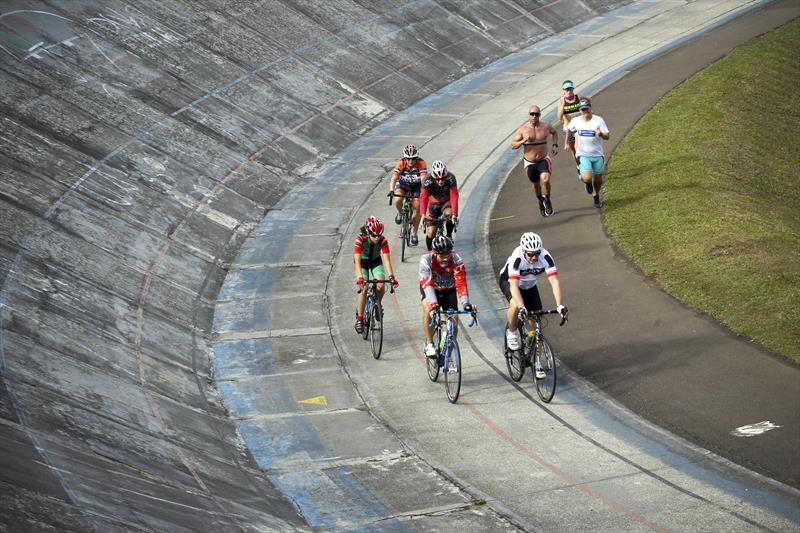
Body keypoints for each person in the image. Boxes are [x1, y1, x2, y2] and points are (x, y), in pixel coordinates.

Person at [498, 232, 567, 367]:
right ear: (524, 251)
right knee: (516, 306)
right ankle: (511, 332)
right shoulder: (517, 259)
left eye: (537, 253)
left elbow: (554, 282)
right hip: (510, 283)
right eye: (531, 254)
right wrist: (522, 307)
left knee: (538, 326)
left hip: (530, 286)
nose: (535, 257)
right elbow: (514, 286)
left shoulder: (545, 257)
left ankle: (536, 362)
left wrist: (559, 305)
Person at [419, 235, 475, 359]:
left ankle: (446, 356)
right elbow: (427, 284)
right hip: (431, 289)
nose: (445, 259)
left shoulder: (456, 259)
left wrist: (466, 303)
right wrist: (434, 306)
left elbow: (461, 282)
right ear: (434, 253)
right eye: (442, 256)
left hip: (448, 289)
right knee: (428, 309)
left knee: (454, 320)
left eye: (447, 255)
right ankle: (429, 343)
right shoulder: (426, 260)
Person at [510, 105, 559, 217]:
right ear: (529, 115)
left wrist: (555, 145)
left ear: (539, 115)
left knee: (545, 180)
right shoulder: (523, 130)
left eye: (536, 114)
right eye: (532, 114)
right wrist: (523, 140)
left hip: (543, 159)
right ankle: (540, 201)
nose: (534, 116)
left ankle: (547, 199)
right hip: (530, 163)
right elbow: (513, 145)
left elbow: (554, 132)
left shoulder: (546, 126)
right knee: (536, 184)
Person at [354, 216, 398, 334]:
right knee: (365, 287)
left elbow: (387, 261)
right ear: (368, 233)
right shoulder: (360, 240)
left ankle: (377, 304)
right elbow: (357, 261)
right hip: (362, 263)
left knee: (381, 285)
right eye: (374, 236)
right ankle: (360, 319)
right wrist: (360, 278)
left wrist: (392, 277)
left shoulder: (383, 241)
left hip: (375, 262)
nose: (377, 238)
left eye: (379, 235)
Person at [567, 99, 610, 208]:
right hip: (584, 154)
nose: (585, 111)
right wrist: (567, 142)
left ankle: (596, 196)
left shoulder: (598, 120)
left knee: (598, 178)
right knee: (586, 178)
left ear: (590, 108)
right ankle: (588, 184)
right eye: (582, 109)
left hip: (597, 154)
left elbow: (607, 136)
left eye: (586, 108)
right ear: (580, 110)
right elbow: (568, 129)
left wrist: (600, 134)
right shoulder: (576, 121)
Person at [389, 144, 428, 246]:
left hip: (416, 188)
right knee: (397, 199)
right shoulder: (401, 163)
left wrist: (425, 193)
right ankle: (400, 213)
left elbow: (424, 180)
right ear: (405, 158)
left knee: (417, 208)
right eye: (408, 159)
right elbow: (393, 178)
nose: (411, 161)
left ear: (416, 157)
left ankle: (414, 234)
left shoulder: (421, 163)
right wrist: (391, 190)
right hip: (403, 186)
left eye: (413, 159)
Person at [419, 160, 459, 250]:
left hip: (446, 202)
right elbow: (423, 198)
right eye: (437, 179)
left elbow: (454, 196)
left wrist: (455, 214)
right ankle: (429, 251)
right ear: (433, 176)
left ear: (446, 175)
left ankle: (449, 235)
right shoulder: (427, 180)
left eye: (443, 178)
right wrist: (423, 215)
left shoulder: (451, 178)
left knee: (449, 214)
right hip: (432, 205)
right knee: (431, 232)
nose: (440, 181)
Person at [556, 80, 592, 179]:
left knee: (582, 148)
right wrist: (562, 106)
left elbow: (589, 101)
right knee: (574, 151)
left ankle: (586, 166)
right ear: (564, 90)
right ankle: (579, 166)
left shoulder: (578, 97)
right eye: (567, 89)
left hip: (579, 127)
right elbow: (559, 118)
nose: (569, 91)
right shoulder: (561, 101)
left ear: (573, 88)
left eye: (570, 89)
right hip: (568, 129)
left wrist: (585, 99)